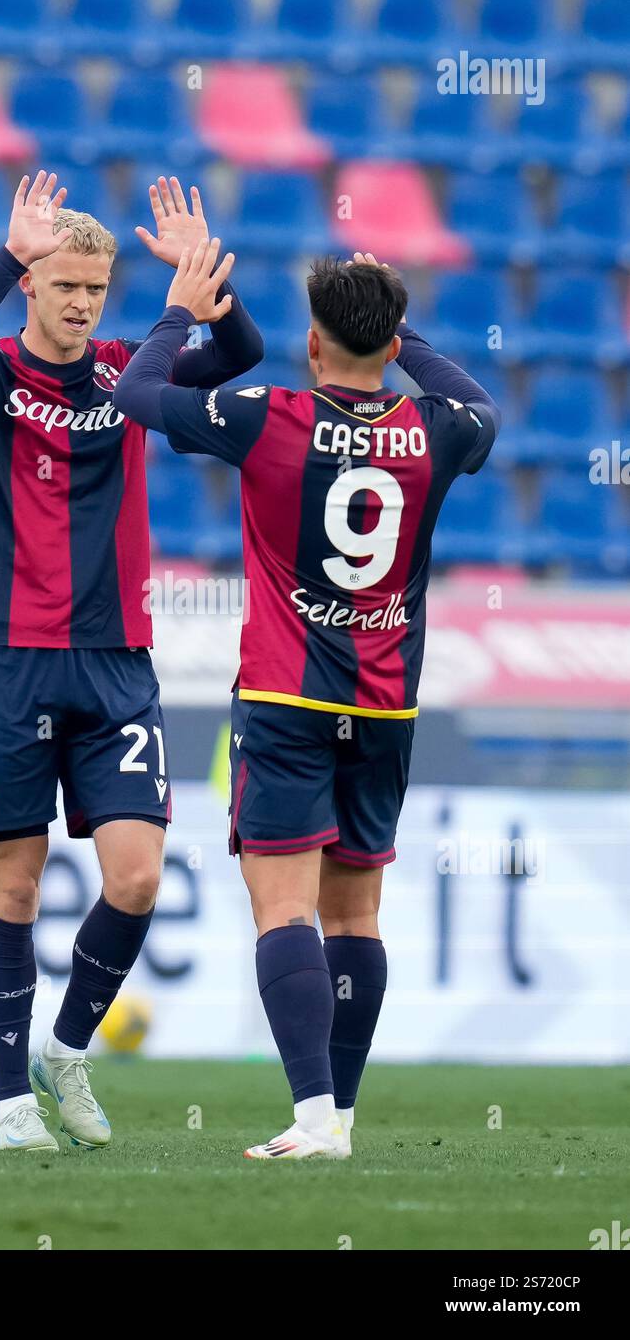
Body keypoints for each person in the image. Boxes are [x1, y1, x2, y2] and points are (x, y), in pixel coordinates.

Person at [112, 240, 500, 1160]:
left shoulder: (269, 416)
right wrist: (394, 332)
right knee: (355, 917)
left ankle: (314, 1116)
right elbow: (481, 404)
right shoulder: (439, 428)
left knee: (281, 912)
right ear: (387, 338)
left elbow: (133, 395)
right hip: (385, 707)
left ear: (314, 347)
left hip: (287, 700)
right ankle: (343, 1119)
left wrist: (179, 310)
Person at [0, 175, 262, 1153]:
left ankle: (66, 1049)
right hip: (11, 661)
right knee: (14, 891)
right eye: (63, 284)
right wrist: (6, 254)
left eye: (95, 288)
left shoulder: (128, 369)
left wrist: (203, 278)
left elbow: (244, 354)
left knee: (139, 877)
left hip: (115, 662)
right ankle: (9, 1104)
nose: (80, 302)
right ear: (33, 284)